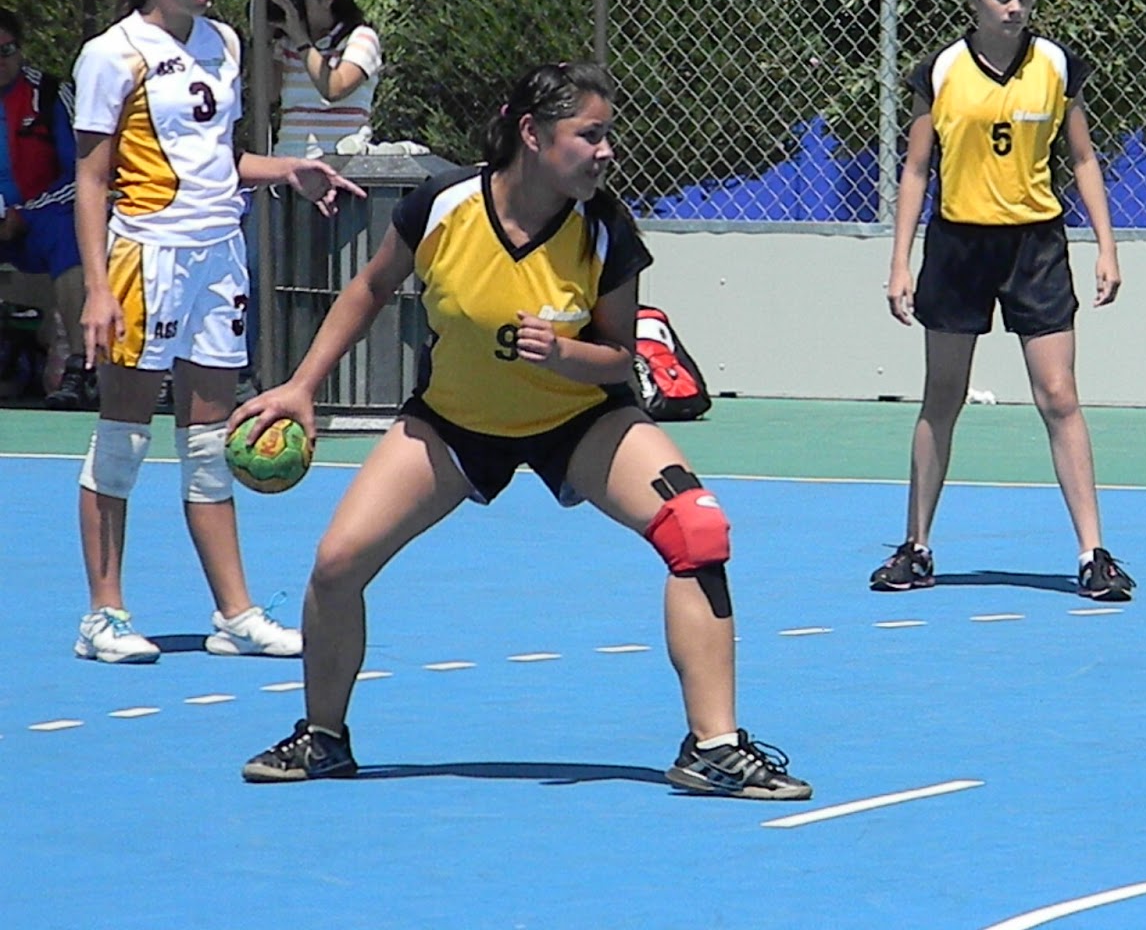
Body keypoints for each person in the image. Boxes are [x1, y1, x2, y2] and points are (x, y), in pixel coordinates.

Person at [233, 61, 811, 800]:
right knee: (338, 562)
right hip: (455, 421)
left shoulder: (604, 228)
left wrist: (564, 352)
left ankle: (714, 747)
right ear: (533, 135)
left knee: (697, 532)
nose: (607, 152)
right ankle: (323, 738)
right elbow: (372, 287)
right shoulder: (444, 207)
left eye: (610, 137)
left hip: (578, 419)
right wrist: (302, 386)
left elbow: (619, 361)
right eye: (590, 136)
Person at [70, 0, 367, 664]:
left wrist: (290, 170)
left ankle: (233, 613)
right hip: (149, 257)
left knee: (209, 439)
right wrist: (99, 289)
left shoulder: (225, 44)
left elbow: (220, 159)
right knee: (124, 437)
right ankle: (103, 613)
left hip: (217, 256)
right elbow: (94, 179)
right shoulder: (114, 54)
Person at [874, 0, 1134, 602]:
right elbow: (915, 168)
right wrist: (899, 260)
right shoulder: (942, 70)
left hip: (1035, 247)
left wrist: (1106, 244)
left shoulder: (1054, 66)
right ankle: (917, 546)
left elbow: (1081, 159)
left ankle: (1092, 552)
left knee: (1059, 395)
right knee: (943, 395)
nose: (1016, 8)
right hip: (959, 245)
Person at [0, 7, 96, 410]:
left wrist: (23, 214)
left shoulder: (52, 93)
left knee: (69, 235)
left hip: (39, 220)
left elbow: (82, 172)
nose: (1, 61)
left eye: (7, 50)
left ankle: (81, 370)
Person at [267, 0, 382, 158]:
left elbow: (334, 88)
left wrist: (302, 40)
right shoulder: (286, 44)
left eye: (300, 1)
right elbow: (268, 95)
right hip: (290, 164)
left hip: (343, 167)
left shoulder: (360, 38)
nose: (295, 9)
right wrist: (263, 39)